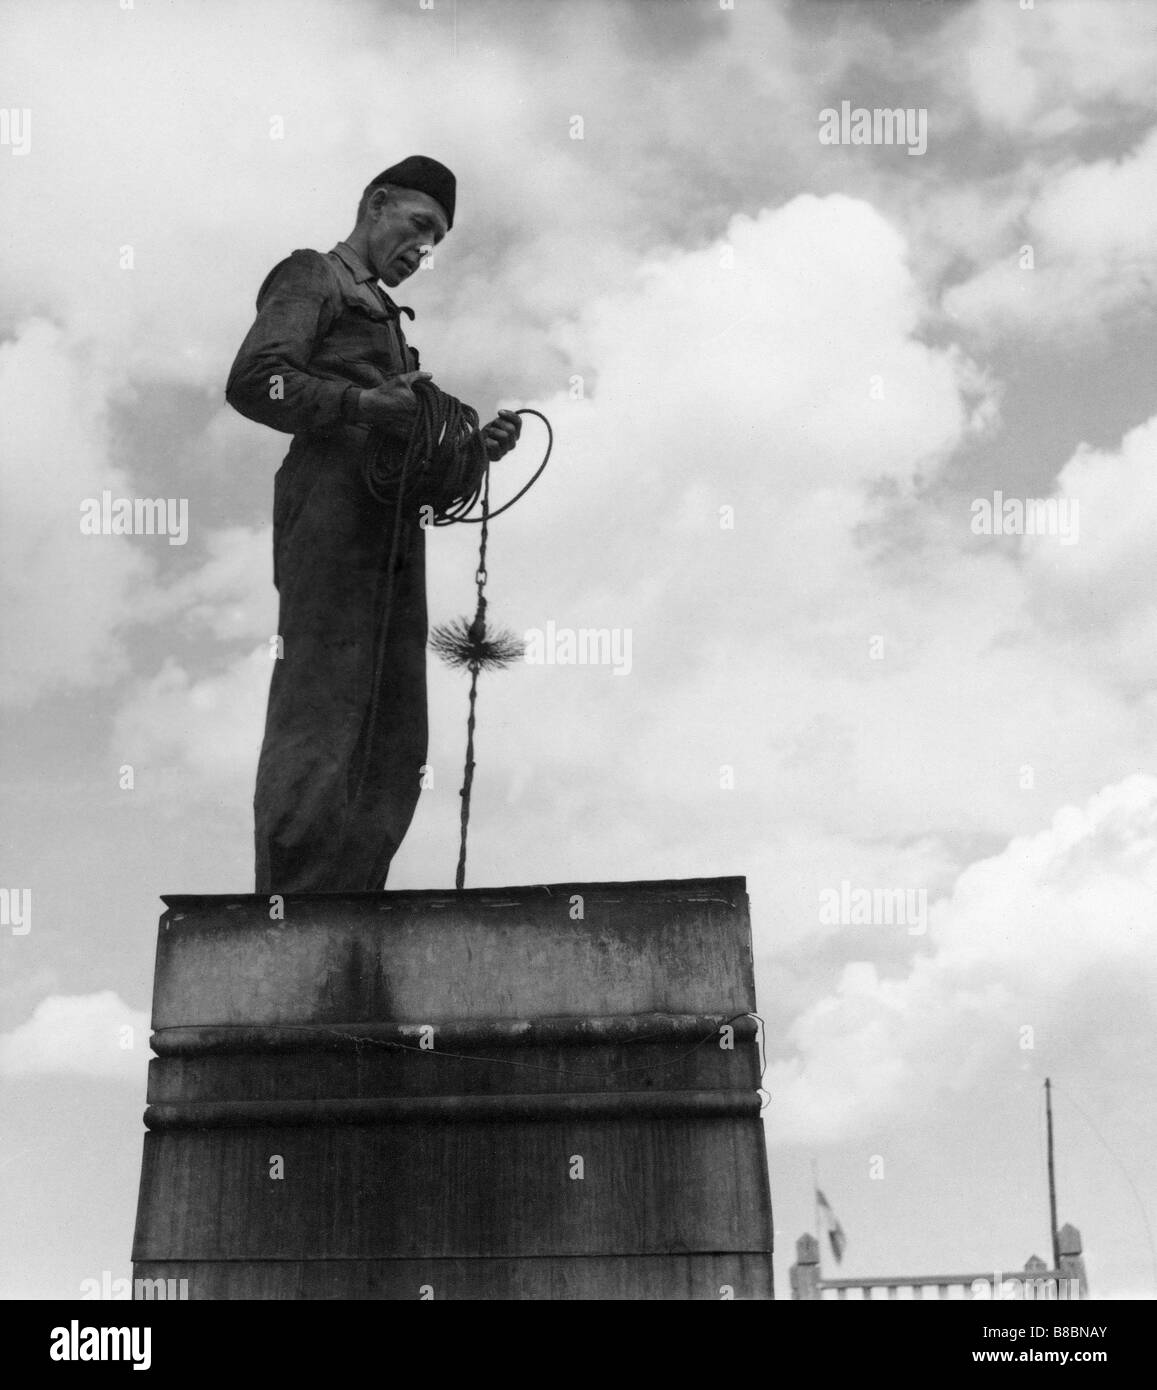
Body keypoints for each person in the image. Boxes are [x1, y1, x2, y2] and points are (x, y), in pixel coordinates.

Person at [225, 156, 521, 892]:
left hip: (389, 530)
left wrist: (468, 454)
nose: (424, 250)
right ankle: (295, 905)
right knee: (324, 702)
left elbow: (407, 444)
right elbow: (255, 380)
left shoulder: (393, 326)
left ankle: (354, 897)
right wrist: (360, 407)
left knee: (394, 726)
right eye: (419, 226)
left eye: (437, 240)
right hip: (330, 513)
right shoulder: (311, 276)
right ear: (376, 203)